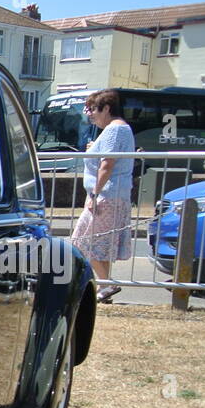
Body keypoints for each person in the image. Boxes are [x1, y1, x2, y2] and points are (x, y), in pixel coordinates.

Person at [71, 89, 135, 302]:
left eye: (93, 110)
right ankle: (106, 286)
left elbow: (107, 165)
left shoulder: (114, 130)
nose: (90, 115)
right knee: (98, 244)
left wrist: (94, 194)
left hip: (106, 195)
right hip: (113, 195)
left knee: (82, 240)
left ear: (106, 108)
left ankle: (107, 284)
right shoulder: (118, 130)